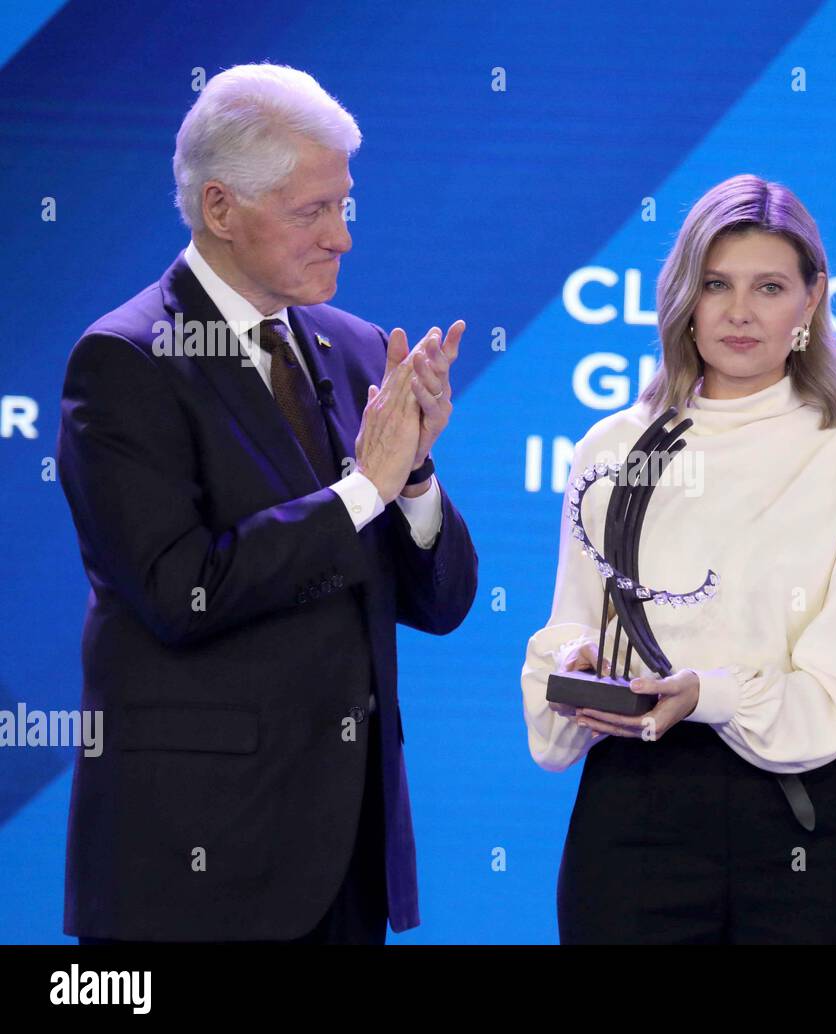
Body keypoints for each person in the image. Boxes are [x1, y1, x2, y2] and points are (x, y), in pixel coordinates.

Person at [57, 63, 477, 944]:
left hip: (346, 860)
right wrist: (361, 487)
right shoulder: (127, 362)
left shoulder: (360, 350)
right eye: (311, 212)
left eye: (343, 207)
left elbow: (440, 605)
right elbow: (181, 591)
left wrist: (411, 480)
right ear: (220, 208)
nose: (342, 240)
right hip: (196, 863)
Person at [521, 174, 836, 943]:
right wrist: (577, 668)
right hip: (634, 814)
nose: (738, 312)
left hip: (802, 822)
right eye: (716, 284)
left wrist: (709, 692)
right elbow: (571, 622)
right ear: (682, 297)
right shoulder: (615, 446)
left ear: (811, 298)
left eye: (769, 287)